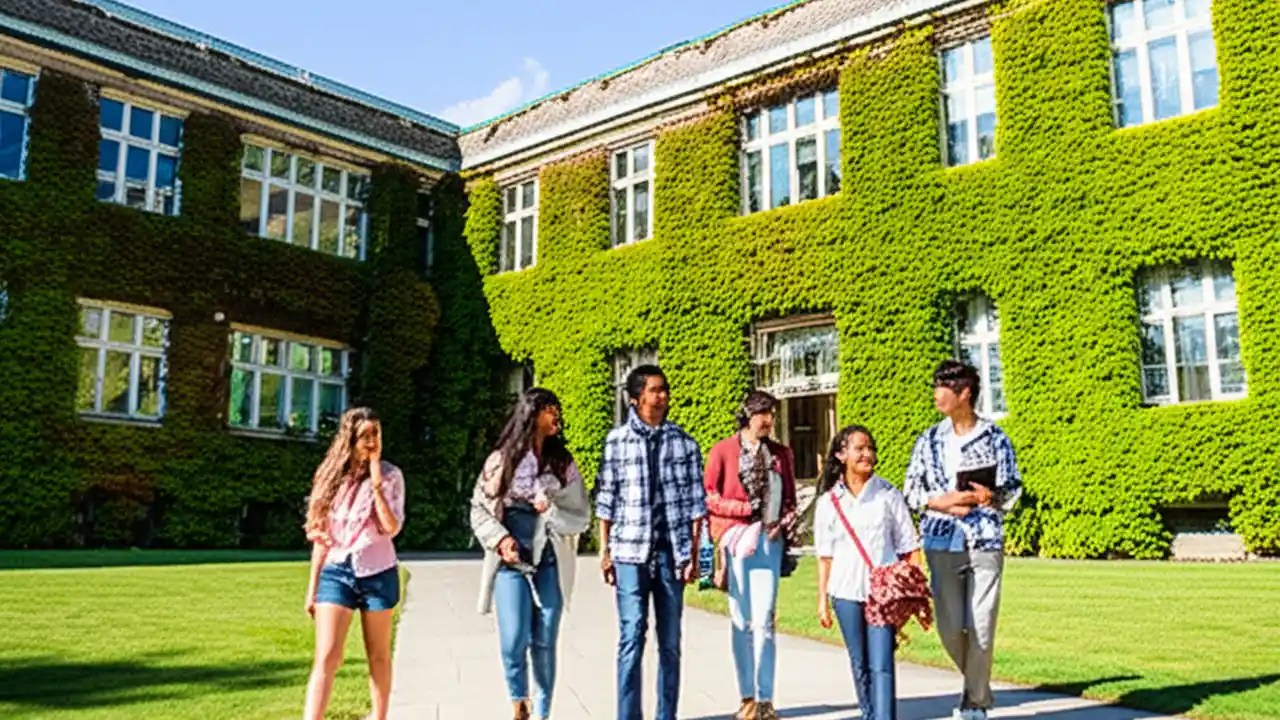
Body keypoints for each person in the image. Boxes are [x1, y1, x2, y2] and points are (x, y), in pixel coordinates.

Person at [903, 360, 1022, 720]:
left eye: (942, 387)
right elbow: (911, 491)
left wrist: (989, 496)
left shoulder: (996, 438)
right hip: (941, 541)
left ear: (964, 393)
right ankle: (978, 690)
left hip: (985, 540)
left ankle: (974, 705)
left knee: (982, 626)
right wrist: (939, 501)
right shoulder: (928, 440)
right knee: (951, 629)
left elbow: (1013, 489)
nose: (936, 394)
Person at [471, 388, 592, 720]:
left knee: (546, 637)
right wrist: (500, 539)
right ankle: (519, 703)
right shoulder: (501, 461)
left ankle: (542, 712)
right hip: (511, 560)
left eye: (557, 408)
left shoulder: (563, 463)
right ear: (532, 414)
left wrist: (550, 510)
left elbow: (581, 514)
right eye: (549, 409)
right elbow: (478, 510)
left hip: (549, 558)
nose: (557, 415)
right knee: (513, 638)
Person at [595, 364, 706, 720]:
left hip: (671, 553)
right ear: (635, 397)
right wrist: (605, 550)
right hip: (629, 551)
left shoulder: (684, 442)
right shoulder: (617, 442)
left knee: (670, 642)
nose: (662, 396)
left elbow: (696, 504)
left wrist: (692, 554)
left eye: (664, 389)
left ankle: (666, 715)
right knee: (631, 635)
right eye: (654, 390)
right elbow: (606, 499)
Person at [302, 407, 405, 720]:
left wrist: (375, 483)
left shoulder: (391, 476)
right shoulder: (331, 477)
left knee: (378, 655)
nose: (372, 442)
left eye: (377, 434)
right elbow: (321, 537)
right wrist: (312, 588)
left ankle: (380, 716)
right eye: (365, 436)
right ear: (350, 439)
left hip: (378, 573)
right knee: (327, 656)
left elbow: (391, 528)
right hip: (336, 572)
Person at [703, 390, 797, 720]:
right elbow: (709, 495)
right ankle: (747, 697)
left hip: (769, 540)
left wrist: (784, 521)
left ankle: (765, 698)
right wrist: (743, 509)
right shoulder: (723, 450)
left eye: (771, 413)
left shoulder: (781, 454)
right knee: (741, 619)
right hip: (735, 539)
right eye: (761, 413)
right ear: (747, 415)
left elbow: (790, 499)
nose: (768, 420)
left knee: (765, 619)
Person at [814, 425, 919, 720]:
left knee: (882, 663)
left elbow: (909, 545)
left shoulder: (888, 494)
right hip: (845, 592)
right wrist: (822, 601)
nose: (867, 454)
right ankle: (869, 714)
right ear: (841, 454)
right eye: (859, 448)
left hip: (882, 595)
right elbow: (825, 556)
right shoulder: (829, 503)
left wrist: (909, 590)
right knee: (859, 662)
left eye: (870, 448)